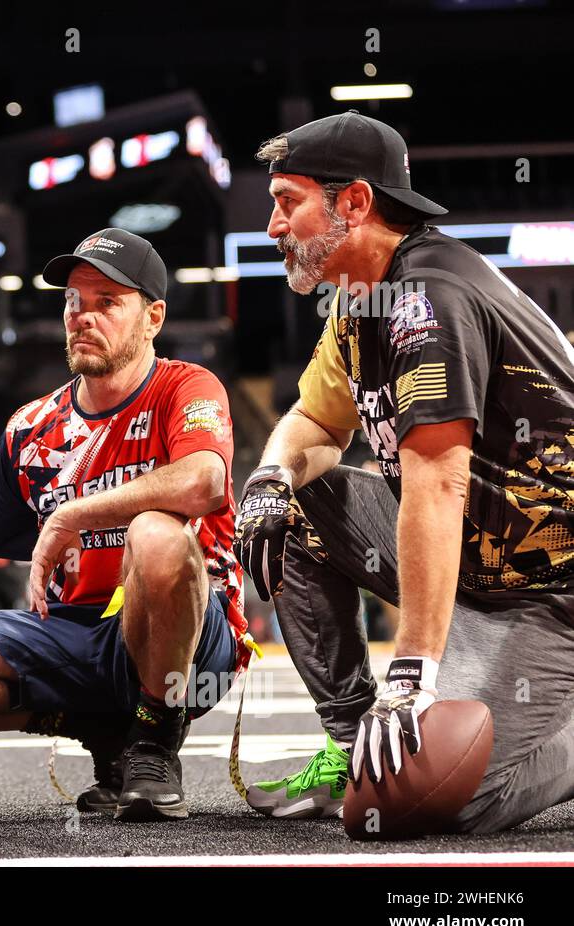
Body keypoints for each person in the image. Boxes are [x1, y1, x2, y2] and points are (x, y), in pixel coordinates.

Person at [236, 110, 574, 833]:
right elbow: (317, 425)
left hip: (550, 593)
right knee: (287, 503)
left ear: (353, 203)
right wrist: (267, 480)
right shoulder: (360, 296)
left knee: (429, 803)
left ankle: (405, 740)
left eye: (286, 201)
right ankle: (355, 741)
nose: (272, 226)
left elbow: (439, 484)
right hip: (481, 570)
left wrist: (412, 671)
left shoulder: (427, 298)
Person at [0, 228, 249, 821]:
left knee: (155, 535)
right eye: (74, 300)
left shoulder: (186, 387)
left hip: (192, 639)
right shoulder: (32, 427)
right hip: (74, 631)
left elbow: (204, 482)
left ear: (152, 317)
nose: (83, 316)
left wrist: (74, 512)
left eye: (107, 302)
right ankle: (100, 728)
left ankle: (154, 738)